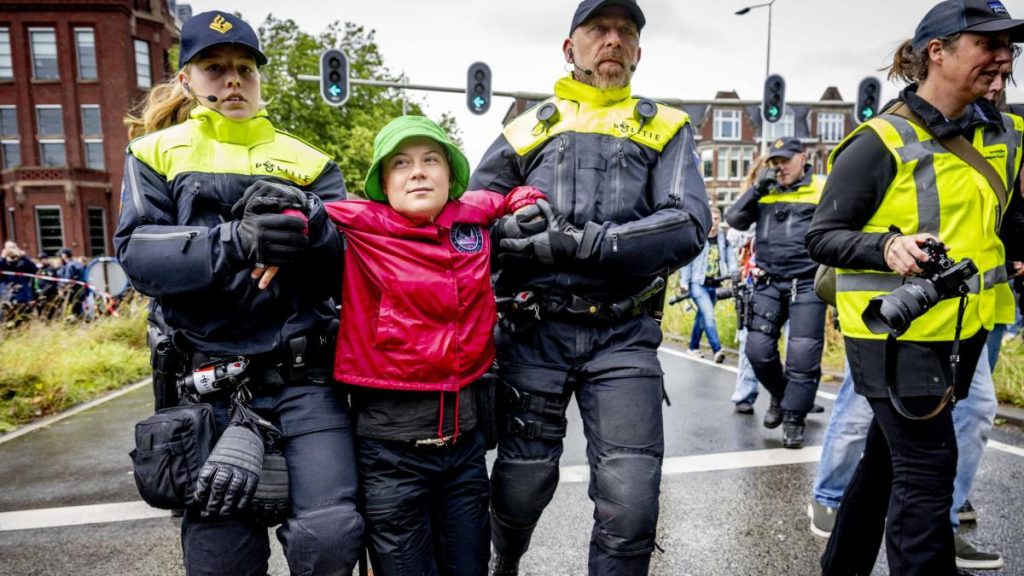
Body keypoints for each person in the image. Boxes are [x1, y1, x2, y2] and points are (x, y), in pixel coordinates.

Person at [114, 11, 363, 575]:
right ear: (186, 80)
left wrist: (312, 226)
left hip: (304, 381)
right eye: (215, 68)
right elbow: (137, 255)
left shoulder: (310, 161)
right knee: (221, 559)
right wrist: (237, 240)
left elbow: (348, 267)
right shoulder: (154, 153)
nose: (232, 81)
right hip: (207, 390)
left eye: (244, 70)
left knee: (330, 538)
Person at [469, 1, 711, 573]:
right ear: (569, 47)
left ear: (639, 52)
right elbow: (470, 222)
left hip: (623, 335)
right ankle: (506, 560)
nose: (613, 40)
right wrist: (509, 228)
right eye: (599, 30)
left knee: (631, 504)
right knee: (520, 488)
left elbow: (687, 224)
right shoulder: (525, 129)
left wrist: (579, 242)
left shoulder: (666, 127)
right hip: (534, 332)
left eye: (626, 32)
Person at [806, 1, 1024, 572]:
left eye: (1009, 48)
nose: (1004, 58)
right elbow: (823, 237)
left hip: (966, 329)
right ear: (938, 50)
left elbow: (1005, 217)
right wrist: (886, 247)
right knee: (927, 472)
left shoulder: (1004, 131)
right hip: (894, 334)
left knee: (885, 464)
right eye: (988, 44)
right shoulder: (877, 141)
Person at [725, 136, 828, 449]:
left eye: (785, 160)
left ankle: (794, 421)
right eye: (775, 162)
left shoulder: (822, 188)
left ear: (802, 157)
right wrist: (757, 188)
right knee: (757, 350)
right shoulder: (765, 191)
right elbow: (734, 219)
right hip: (768, 281)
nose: (780, 167)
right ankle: (782, 396)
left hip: (807, 283)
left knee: (803, 357)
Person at [678, 206, 736, 363]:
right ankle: (717, 349)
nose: (714, 222)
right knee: (709, 315)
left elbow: (730, 259)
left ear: (720, 220)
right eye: (711, 219)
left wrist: (734, 273)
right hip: (697, 284)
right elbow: (687, 261)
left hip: (715, 284)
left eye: (717, 219)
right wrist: (684, 282)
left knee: (703, 316)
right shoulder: (699, 237)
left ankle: (693, 347)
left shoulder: (723, 238)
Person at [0, 242, 38, 323]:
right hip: (7, 297)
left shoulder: (23, 262)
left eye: (13, 248)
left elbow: (35, 270)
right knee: (6, 322)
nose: (12, 250)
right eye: (9, 248)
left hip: (23, 297)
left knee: (24, 321)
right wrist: (3, 258)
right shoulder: (2, 262)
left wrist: (24, 257)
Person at [55, 247, 87, 319]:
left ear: (64, 255)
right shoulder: (76, 264)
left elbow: (68, 279)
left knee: (75, 310)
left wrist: (62, 289)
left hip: (74, 291)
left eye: (60, 255)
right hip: (80, 290)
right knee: (78, 309)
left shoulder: (70, 265)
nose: (60, 257)